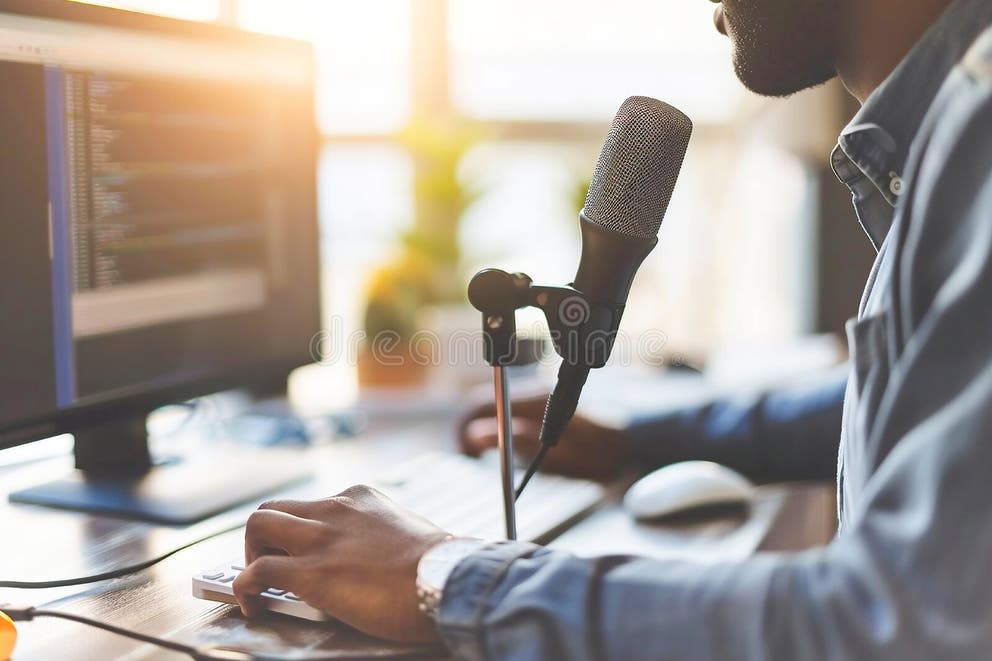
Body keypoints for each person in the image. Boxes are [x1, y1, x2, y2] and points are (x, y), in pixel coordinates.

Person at [232, 0, 992, 657]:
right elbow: (911, 402)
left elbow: (892, 624)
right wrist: (638, 441)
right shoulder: (948, 139)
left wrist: (444, 574)